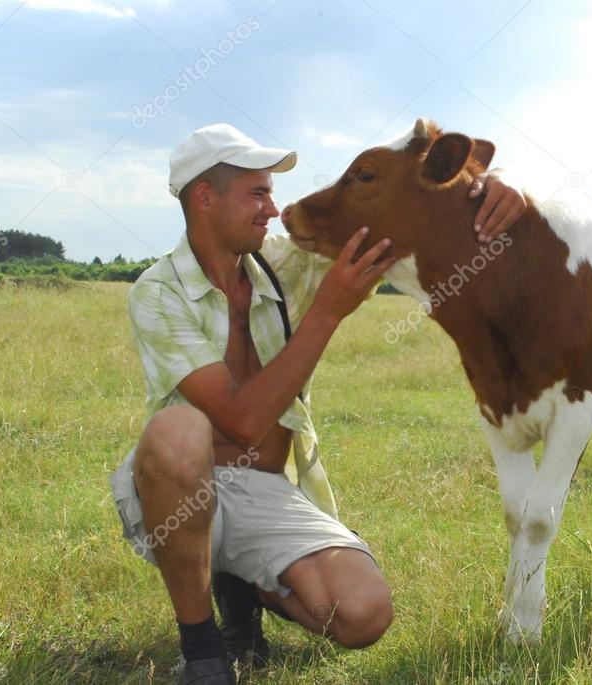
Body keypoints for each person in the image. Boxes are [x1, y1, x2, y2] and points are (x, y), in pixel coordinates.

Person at [109, 123, 527, 685]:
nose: (274, 209)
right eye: (258, 193)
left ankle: (245, 582)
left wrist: (497, 187)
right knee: (178, 429)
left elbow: (397, 212)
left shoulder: (286, 266)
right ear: (205, 198)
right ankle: (204, 650)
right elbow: (240, 419)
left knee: (364, 613)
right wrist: (328, 313)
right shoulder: (156, 293)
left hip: (266, 491)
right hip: (184, 492)